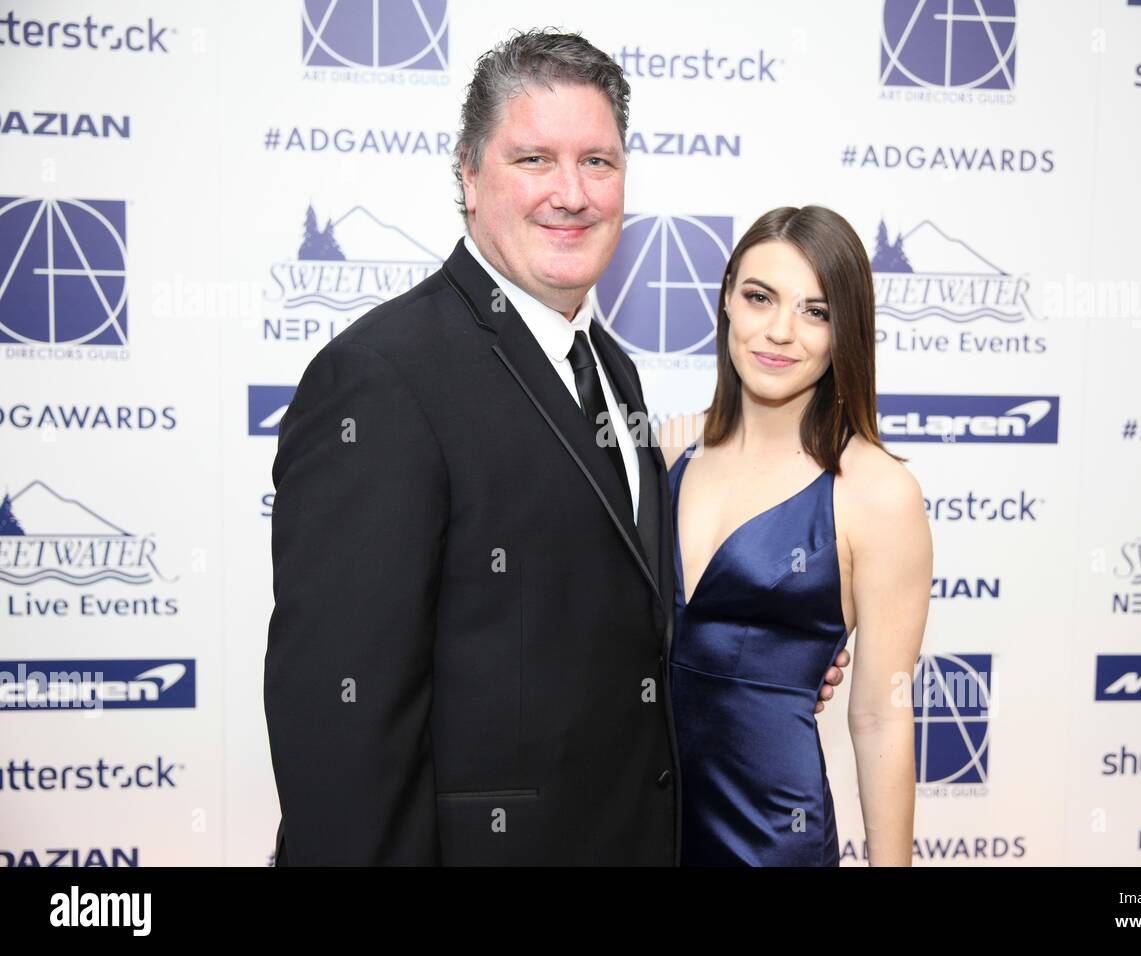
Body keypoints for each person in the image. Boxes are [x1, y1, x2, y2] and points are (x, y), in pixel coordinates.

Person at [263, 30, 847, 866]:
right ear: (468, 175)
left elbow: (616, 611)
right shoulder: (380, 379)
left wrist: (759, 650)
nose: (572, 194)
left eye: (599, 162)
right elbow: (339, 724)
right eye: (534, 159)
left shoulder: (613, 370)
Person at [656, 206, 932, 866]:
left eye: (816, 311)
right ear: (726, 300)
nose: (780, 331)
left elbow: (880, 717)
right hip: (642, 822)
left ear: (846, 332)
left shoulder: (875, 491)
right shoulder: (665, 449)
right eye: (759, 298)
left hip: (770, 838)